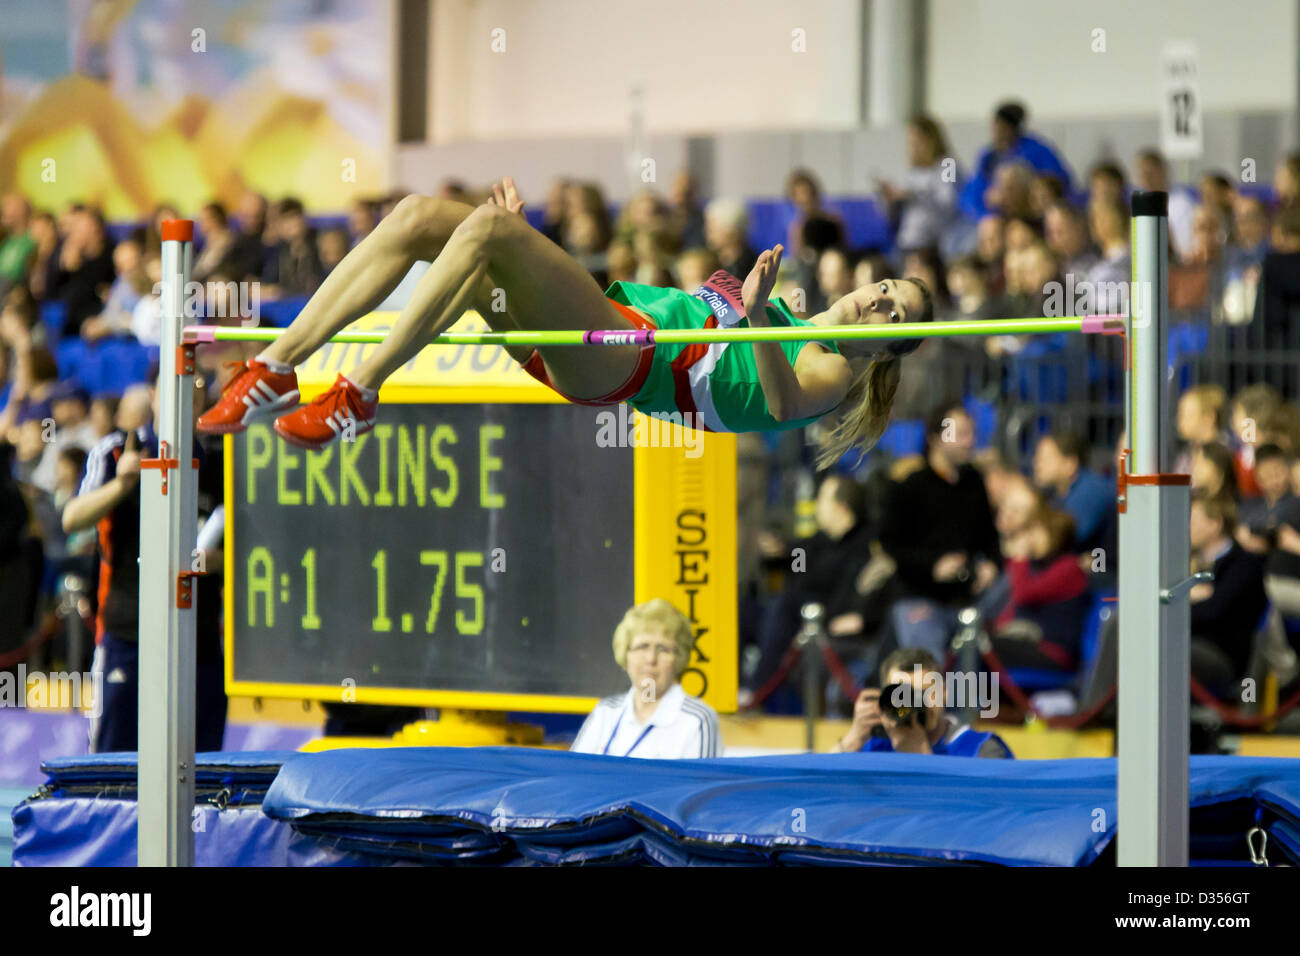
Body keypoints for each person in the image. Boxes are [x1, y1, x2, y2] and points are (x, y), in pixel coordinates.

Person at [197, 179, 934, 472]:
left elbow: (776, 405)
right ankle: (277, 364)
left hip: (628, 362)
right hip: (603, 322)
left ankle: (358, 388)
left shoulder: (835, 369)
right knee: (426, 218)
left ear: (887, 346)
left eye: (896, 314)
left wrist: (757, 312)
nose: (882, 301)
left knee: (488, 233)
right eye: (891, 289)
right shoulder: (792, 307)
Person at [63, 377, 226, 752]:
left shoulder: (216, 458)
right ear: (153, 395)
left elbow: (238, 546)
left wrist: (209, 559)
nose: (187, 402)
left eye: (196, 395)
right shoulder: (119, 450)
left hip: (196, 638)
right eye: (176, 391)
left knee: (200, 764)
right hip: (128, 632)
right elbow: (72, 519)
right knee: (110, 763)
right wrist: (121, 485)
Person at [878, 403, 1002, 658]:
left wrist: (992, 564)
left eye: (972, 433)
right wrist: (933, 566)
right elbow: (891, 545)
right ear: (936, 438)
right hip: (919, 595)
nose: (971, 441)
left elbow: (990, 537)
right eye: (962, 434)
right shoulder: (909, 487)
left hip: (967, 597)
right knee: (928, 662)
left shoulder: (974, 481)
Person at [571, 598, 720, 758]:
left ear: (679, 658)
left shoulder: (698, 719)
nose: (651, 659)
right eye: (643, 646)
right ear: (625, 654)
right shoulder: (606, 711)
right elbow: (572, 774)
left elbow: (704, 783)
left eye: (663, 649)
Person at [830, 648, 1012, 757]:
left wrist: (919, 753)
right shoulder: (877, 745)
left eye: (925, 693)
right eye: (901, 695)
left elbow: (986, 817)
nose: (916, 703)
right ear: (883, 699)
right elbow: (818, 791)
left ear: (944, 692)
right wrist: (853, 740)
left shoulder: (980, 749)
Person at [1188, 493, 1267, 696]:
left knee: (1158, 649)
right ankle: (1105, 709)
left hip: (1220, 653)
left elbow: (1215, 611)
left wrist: (1182, 602)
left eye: (1194, 520)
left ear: (1215, 524)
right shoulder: (1193, 563)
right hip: (1189, 640)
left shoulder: (1244, 564)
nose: (1188, 526)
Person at [960, 101, 1072, 221]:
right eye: (995, 125)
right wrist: (983, 210)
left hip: (1027, 217)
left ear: (1012, 128)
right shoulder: (988, 156)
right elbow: (972, 191)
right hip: (989, 217)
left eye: (1001, 126)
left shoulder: (1036, 152)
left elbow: (1058, 184)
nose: (996, 131)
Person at [1031, 429, 1116, 556]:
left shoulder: (1091, 491)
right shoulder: (1054, 494)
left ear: (1070, 464)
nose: (1036, 464)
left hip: (1105, 569)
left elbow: (1061, 541)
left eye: (1044, 458)